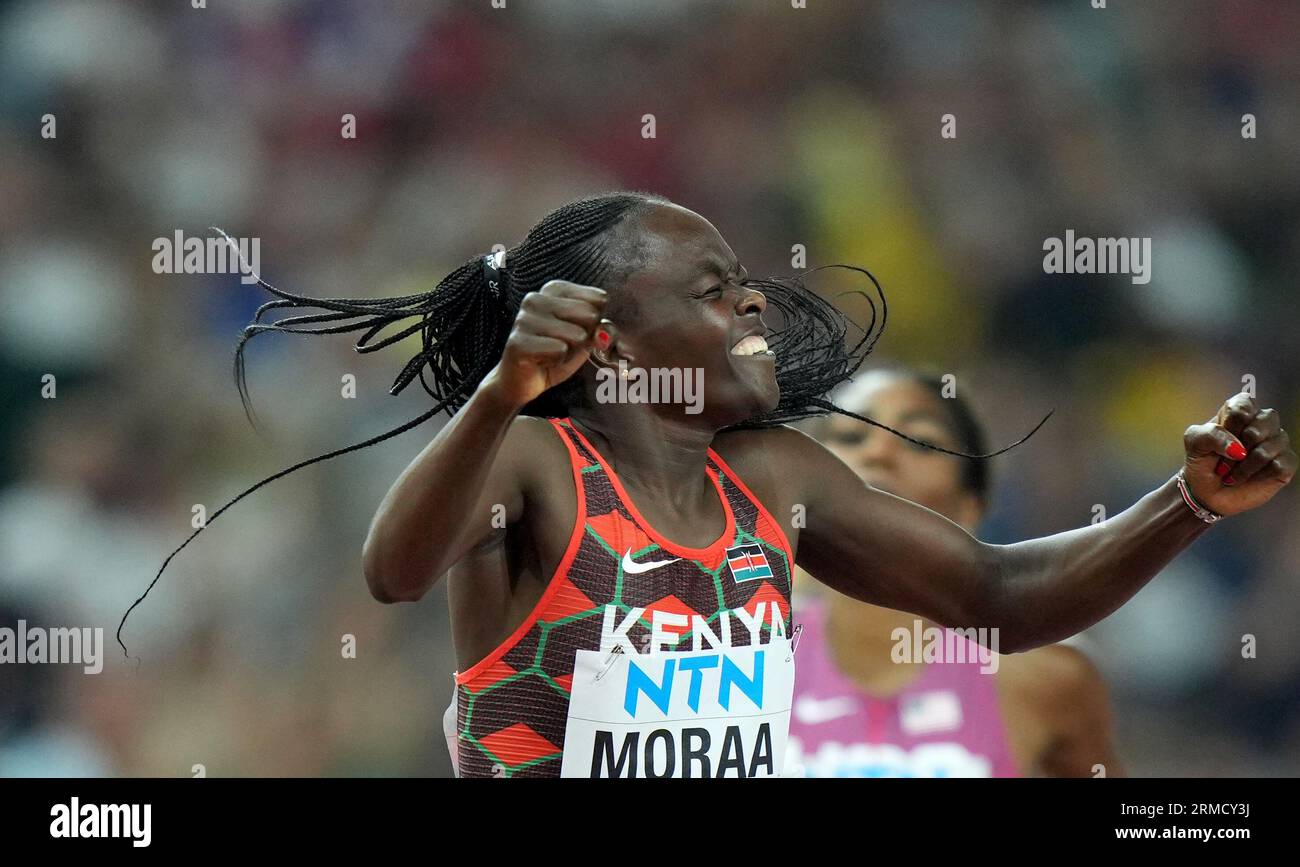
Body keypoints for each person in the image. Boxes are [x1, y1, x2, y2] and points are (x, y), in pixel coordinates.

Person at [126, 191, 1295, 778]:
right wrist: (495, 397)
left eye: (742, 282)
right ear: (616, 343)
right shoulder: (537, 462)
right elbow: (391, 576)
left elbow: (994, 596)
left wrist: (1185, 502)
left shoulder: (773, 478)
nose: (749, 305)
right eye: (710, 287)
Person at [786, 368, 1123, 777]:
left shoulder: (1046, 675)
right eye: (852, 437)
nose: (878, 452)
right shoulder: (739, 648)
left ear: (970, 506)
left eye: (921, 442)